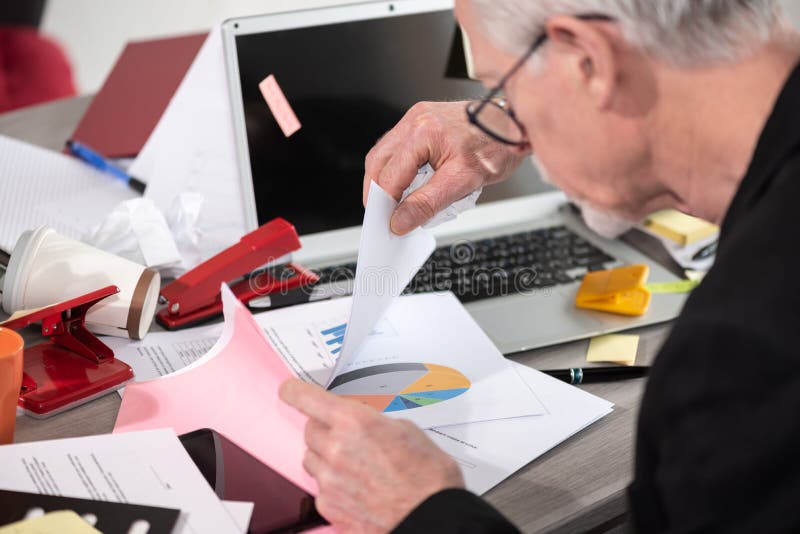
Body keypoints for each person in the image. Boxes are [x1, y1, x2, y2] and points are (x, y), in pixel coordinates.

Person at [280, 0, 800, 531]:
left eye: (502, 91)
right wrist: (520, 112)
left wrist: (425, 512)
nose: (509, 124)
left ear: (589, 62)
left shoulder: (743, 352)